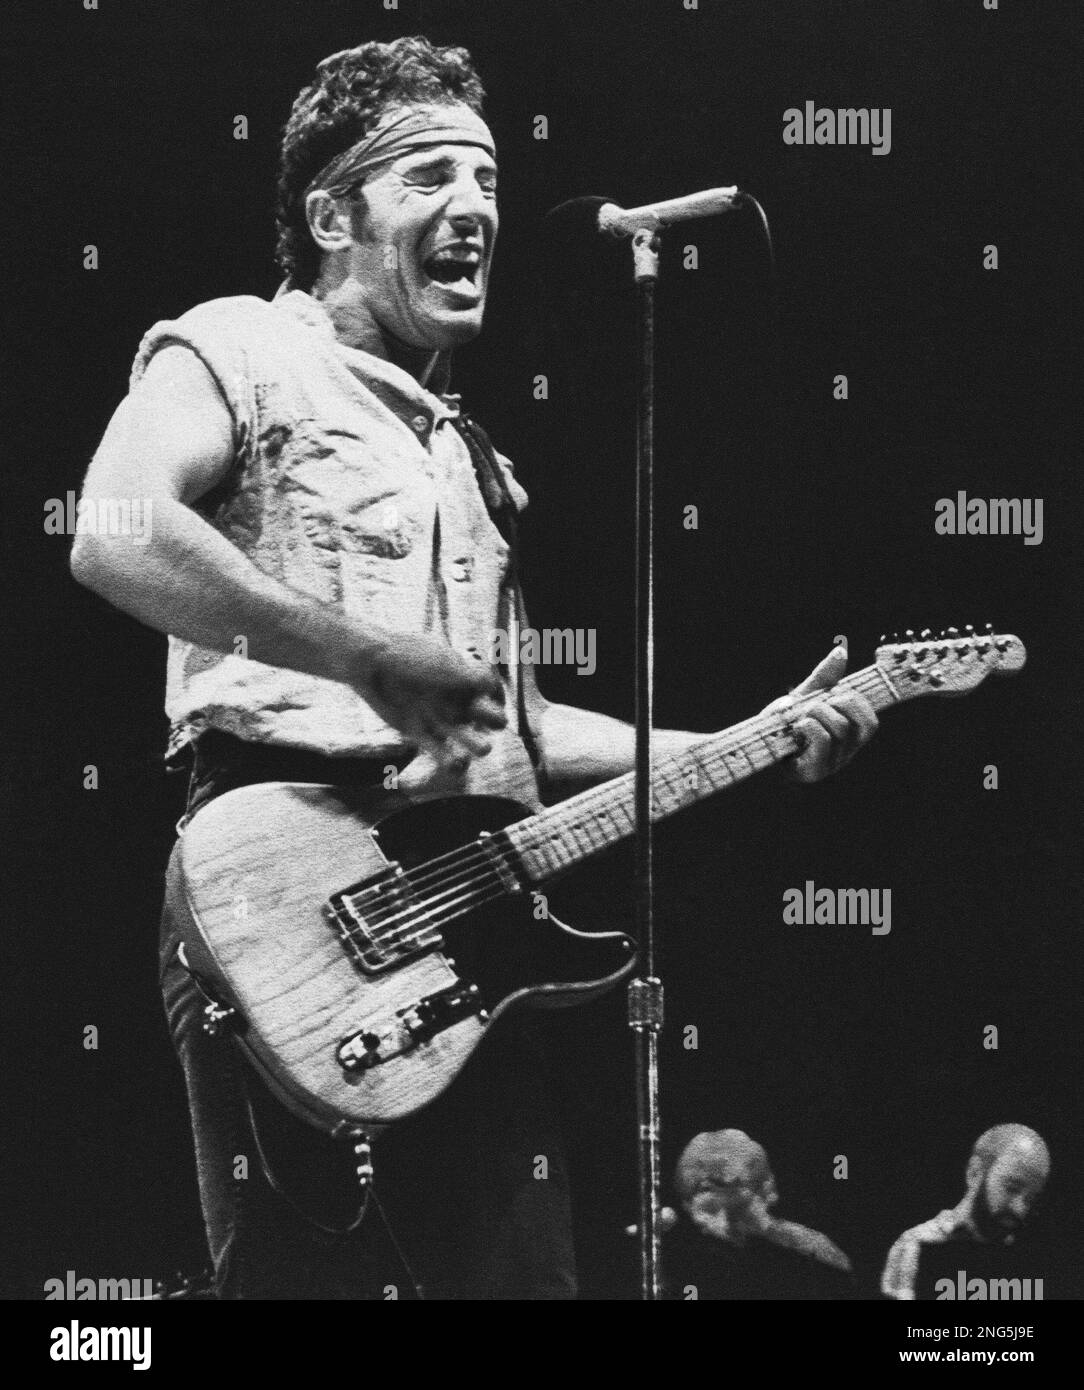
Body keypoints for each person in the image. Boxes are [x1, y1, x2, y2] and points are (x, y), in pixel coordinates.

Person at [71, 36, 878, 1299]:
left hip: (461, 931)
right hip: (278, 894)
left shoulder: (475, 456)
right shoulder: (236, 345)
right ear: (333, 214)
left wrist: (753, 735)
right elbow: (109, 530)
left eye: (490, 181)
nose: (479, 211)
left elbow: (524, 727)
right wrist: (359, 652)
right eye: (432, 176)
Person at [665, 1129, 855, 1299]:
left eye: (711, 1209)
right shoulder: (698, 1264)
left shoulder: (811, 1254)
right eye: (705, 1211)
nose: (702, 1222)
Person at [881, 1124, 1051, 1301]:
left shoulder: (1025, 1259)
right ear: (975, 1173)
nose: (1020, 1209)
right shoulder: (914, 1246)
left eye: (1031, 1199)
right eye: (1011, 1188)